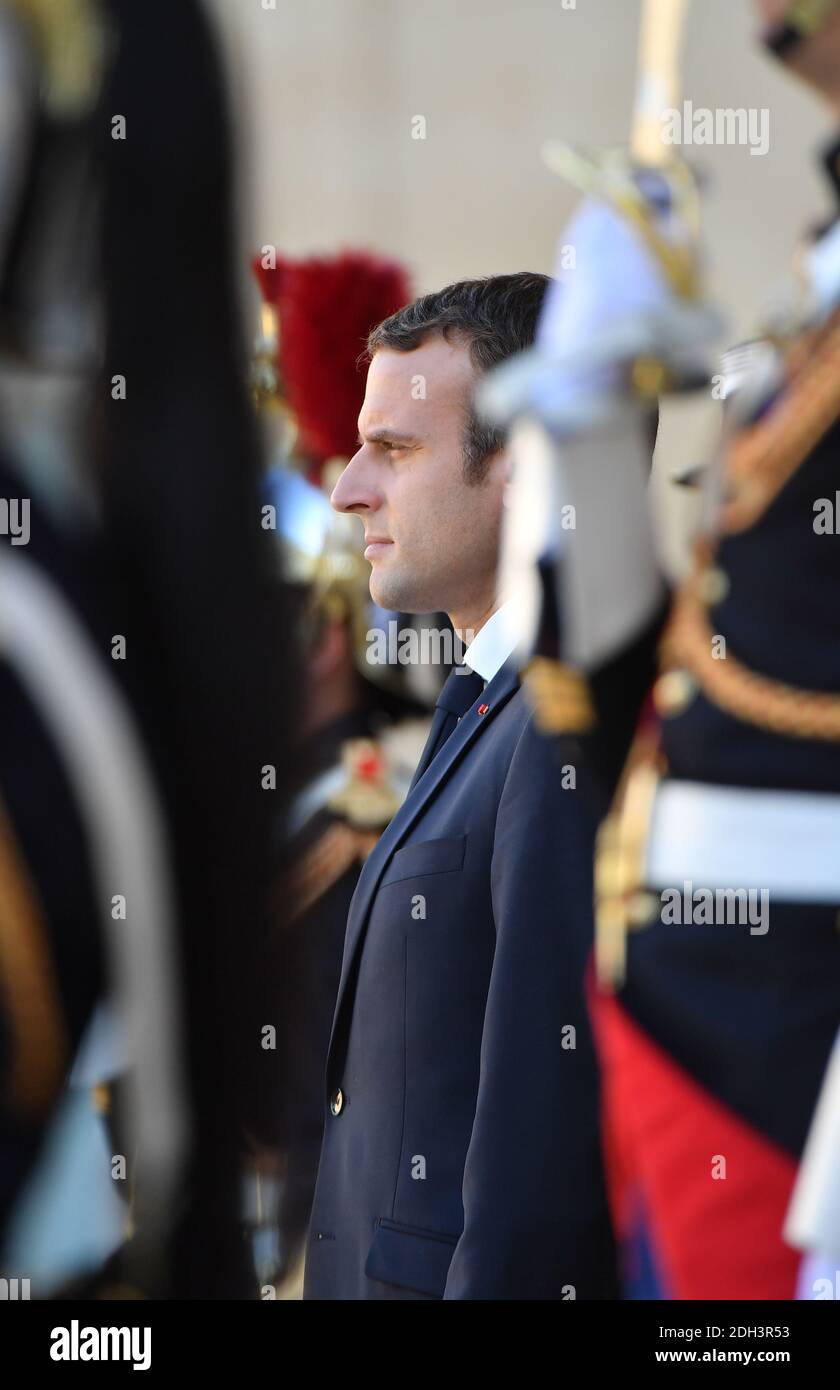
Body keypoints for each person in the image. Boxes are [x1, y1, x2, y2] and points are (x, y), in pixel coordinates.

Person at [483, 0, 840, 1301]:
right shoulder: (815, 322)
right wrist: (580, 425)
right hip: (705, 1047)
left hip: (798, 1067)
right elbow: (614, 697)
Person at [303, 274, 618, 1300]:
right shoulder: (493, 703)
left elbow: (541, 1142)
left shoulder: (555, 730)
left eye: (394, 450)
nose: (349, 488)